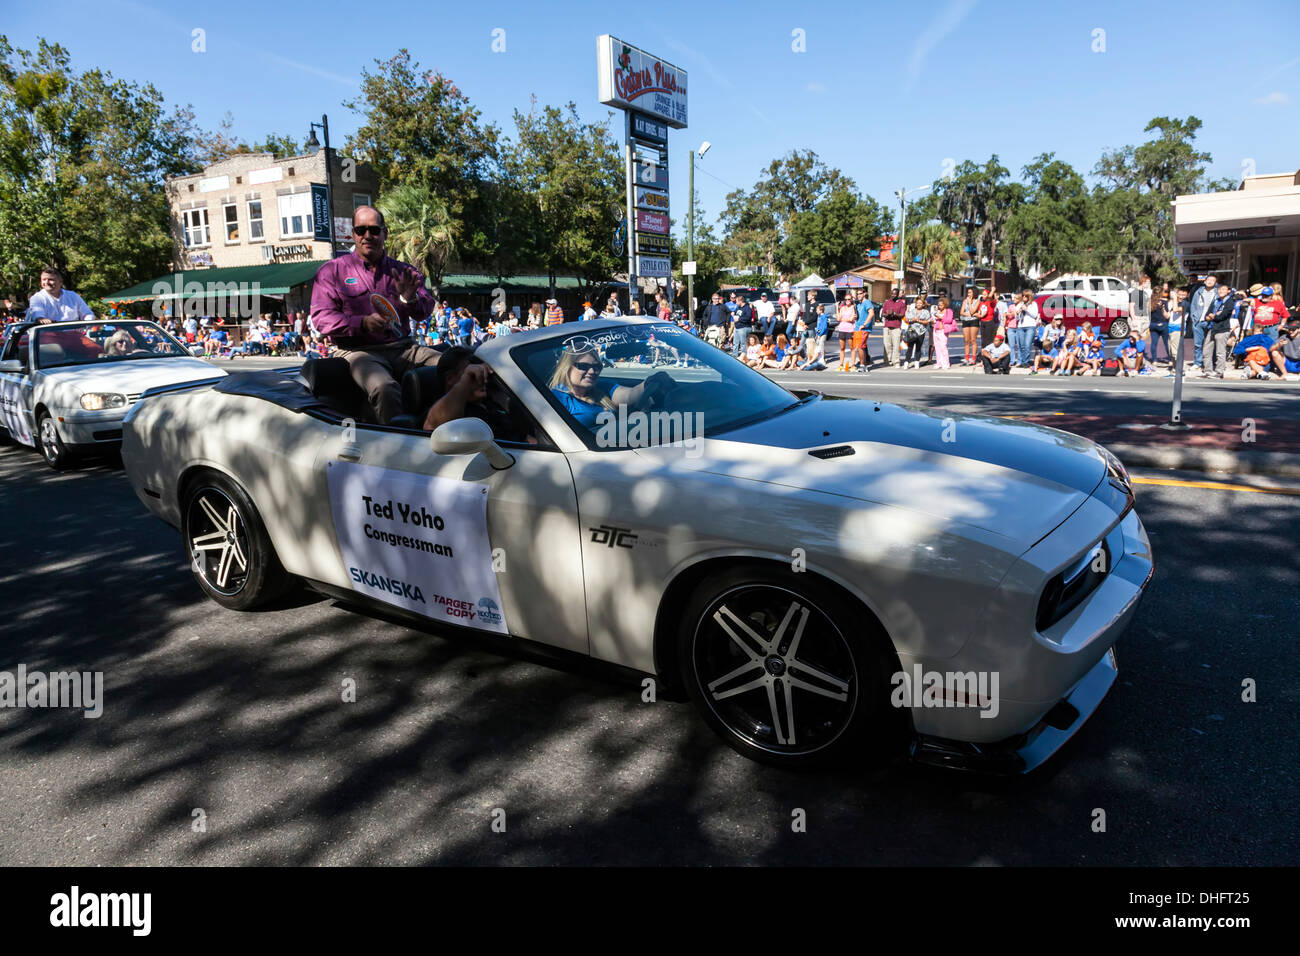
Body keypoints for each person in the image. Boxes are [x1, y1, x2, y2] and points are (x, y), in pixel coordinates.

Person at [308, 205, 439, 423]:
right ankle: (398, 445)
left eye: (374, 230)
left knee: (451, 367)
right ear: (353, 234)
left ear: (384, 233)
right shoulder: (332, 271)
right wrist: (362, 323)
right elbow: (321, 319)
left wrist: (410, 299)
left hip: (403, 347)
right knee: (384, 387)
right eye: (361, 230)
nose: (367, 236)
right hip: (356, 351)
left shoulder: (404, 271)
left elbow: (424, 312)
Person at [546, 347, 666, 429]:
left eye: (597, 366)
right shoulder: (557, 398)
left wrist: (649, 382)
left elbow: (629, 395)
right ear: (567, 367)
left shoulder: (602, 387)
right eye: (584, 366)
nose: (592, 371)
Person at [25, 266, 95, 324]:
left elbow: (88, 314)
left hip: (73, 335)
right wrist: (41, 319)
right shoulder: (37, 298)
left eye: (50, 279)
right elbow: (37, 315)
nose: (46, 282)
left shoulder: (73, 296)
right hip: (48, 336)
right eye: (44, 279)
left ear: (60, 282)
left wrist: (85, 325)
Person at [1201, 283, 1236, 378]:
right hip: (1212, 328)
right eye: (1219, 289)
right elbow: (1207, 314)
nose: (1221, 291)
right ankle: (1207, 370)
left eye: (1223, 289)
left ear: (1228, 291)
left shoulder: (1230, 301)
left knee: (1220, 352)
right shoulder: (1216, 301)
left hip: (1222, 329)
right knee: (1206, 351)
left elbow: (1223, 315)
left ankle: (1219, 372)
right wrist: (1213, 316)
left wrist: (1215, 316)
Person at [1188, 274, 1218, 367]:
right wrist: (1193, 318)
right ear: (1204, 281)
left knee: (1212, 344)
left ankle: (1211, 363)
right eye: (1208, 280)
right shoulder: (1199, 291)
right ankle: (1198, 362)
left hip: (1211, 322)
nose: (1210, 282)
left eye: (1212, 280)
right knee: (1198, 344)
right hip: (1198, 321)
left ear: (1215, 283)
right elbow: (1193, 305)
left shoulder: (1217, 293)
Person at [902, 296, 930, 369]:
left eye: (920, 303)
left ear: (923, 304)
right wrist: (913, 319)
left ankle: (917, 361)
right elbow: (908, 319)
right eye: (917, 303)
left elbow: (927, 321)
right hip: (912, 331)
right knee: (910, 347)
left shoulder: (926, 312)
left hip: (921, 332)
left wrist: (919, 321)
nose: (919, 304)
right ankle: (906, 362)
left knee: (918, 347)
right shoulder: (912, 311)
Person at [880, 288, 906, 366]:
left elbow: (902, 315)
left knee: (896, 345)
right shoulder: (887, 302)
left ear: (898, 294)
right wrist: (887, 314)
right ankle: (886, 362)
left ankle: (896, 362)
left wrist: (894, 314)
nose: (893, 295)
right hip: (887, 326)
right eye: (892, 294)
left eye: (894, 294)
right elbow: (883, 314)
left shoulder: (901, 303)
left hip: (896, 327)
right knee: (887, 345)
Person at [1148, 293, 1173, 366]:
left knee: (1154, 343)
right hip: (1163, 324)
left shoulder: (1150, 302)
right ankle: (1170, 360)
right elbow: (1166, 316)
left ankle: (1154, 360)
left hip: (1153, 324)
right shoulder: (1164, 302)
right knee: (1167, 343)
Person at [852, 290, 874, 372]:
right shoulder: (859, 304)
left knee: (860, 347)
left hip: (863, 328)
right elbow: (858, 316)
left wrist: (864, 324)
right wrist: (855, 317)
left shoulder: (867, 302)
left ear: (864, 294)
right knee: (860, 347)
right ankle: (864, 364)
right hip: (857, 327)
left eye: (860, 293)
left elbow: (871, 313)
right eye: (857, 294)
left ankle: (862, 365)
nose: (858, 295)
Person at [931, 296, 954, 370]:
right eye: (939, 305)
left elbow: (949, 320)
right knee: (937, 347)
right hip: (936, 330)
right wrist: (932, 320)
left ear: (945, 305)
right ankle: (939, 363)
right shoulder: (937, 311)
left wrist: (940, 317)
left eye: (941, 305)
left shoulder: (948, 311)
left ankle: (946, 363)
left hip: (943, 331)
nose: (939, 306)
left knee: (943, 347)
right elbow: (934, 319)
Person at [958, 288, 979, 365]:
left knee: (973, 340)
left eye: (970, 292)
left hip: (974, 321)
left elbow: (973, 311)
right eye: (968, 292)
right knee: (966, 340)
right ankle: (966, 358)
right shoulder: (964, 301)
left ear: (974, 293)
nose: (968, 294)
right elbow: (961, 312)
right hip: (965, 321)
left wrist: (970, 303)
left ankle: (973, 359)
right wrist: (969, 314)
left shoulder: (977, 301)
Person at [835, 296, 856, 371]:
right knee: (842, 348)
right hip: (842, 329)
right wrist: (837, 307)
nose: (847, 300)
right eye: (846, 299)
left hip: (850, 329)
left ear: (851, 300)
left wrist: (843, 319)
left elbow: (851, 319)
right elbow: (838, 318)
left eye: (849, 299)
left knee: (852, 348)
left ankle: (853, 364)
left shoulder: (853, 307)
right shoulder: (842, 308)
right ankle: (841, 364)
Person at [731, 294, 755, 359]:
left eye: (737, 301)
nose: (736, 303)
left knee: (743, 343)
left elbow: (748, 318)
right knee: (735, 343)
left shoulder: (747, 308)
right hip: (737, 327)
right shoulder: (738, 308)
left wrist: (739, 319)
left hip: (744, 328)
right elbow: (736, 316)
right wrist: (733, 315)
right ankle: (734, 355)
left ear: (740, 301)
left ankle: (744, 356)